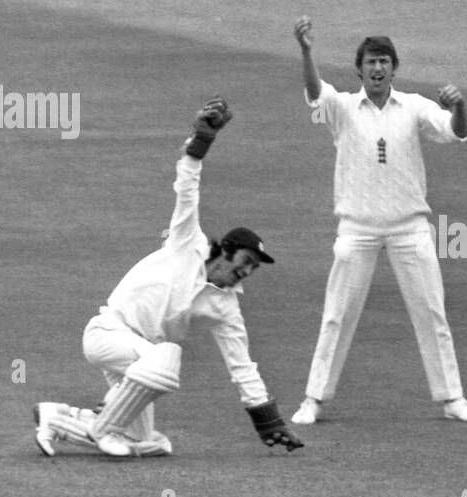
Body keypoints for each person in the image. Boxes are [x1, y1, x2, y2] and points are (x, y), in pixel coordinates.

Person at [33, 96, 303, 458]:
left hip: (140, 364)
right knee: (168, 358)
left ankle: (60, 418)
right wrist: (200, 143)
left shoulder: (225, 306)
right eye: (246, 259)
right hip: (108, 335)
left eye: (255, 266)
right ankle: (103, 427)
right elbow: (186, 191)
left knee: (151, 444)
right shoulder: (187, 244)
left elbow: (241, 365)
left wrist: (268, 422)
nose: (248, 269)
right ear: (226, 250)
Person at [288, 17, 467, 425]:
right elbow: (313, 92)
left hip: (409, 227)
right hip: (356, 228)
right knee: (337, 314)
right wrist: (307, 51)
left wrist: (460, 106)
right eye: (371, 62)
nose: (377, 69)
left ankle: (452, 399)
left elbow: (455, 133)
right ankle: (313, 399)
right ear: (359, 69)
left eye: (384, 62)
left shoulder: (414, 107)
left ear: (394, 68)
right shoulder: (342, 107)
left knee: (432, 313)